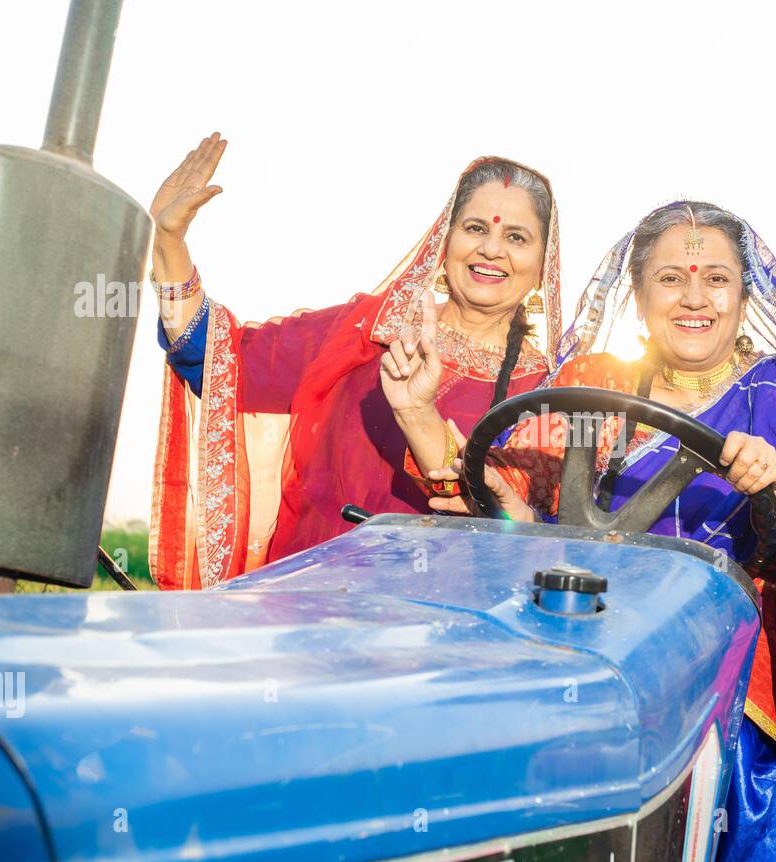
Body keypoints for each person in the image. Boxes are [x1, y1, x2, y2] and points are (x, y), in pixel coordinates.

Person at [385, 201, 776, 862]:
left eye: (716, 279)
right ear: (640, 293)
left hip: (724, 653)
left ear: (744, 294)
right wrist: (417, 411)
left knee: (732, 760)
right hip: (575, 631)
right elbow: (505, 515)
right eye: (672, 278)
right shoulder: (597, 386)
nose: (694, 298)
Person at [146, 137, 562, 588]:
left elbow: (516, 526)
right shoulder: (369, 333)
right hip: (300, 612)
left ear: (543, 264)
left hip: (437, 637)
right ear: (444, 243)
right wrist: (169, 244)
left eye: (516, 237)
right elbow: (209, 356)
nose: (491, 249)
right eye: (476, 228)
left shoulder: (548, 394)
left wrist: (416, 413)